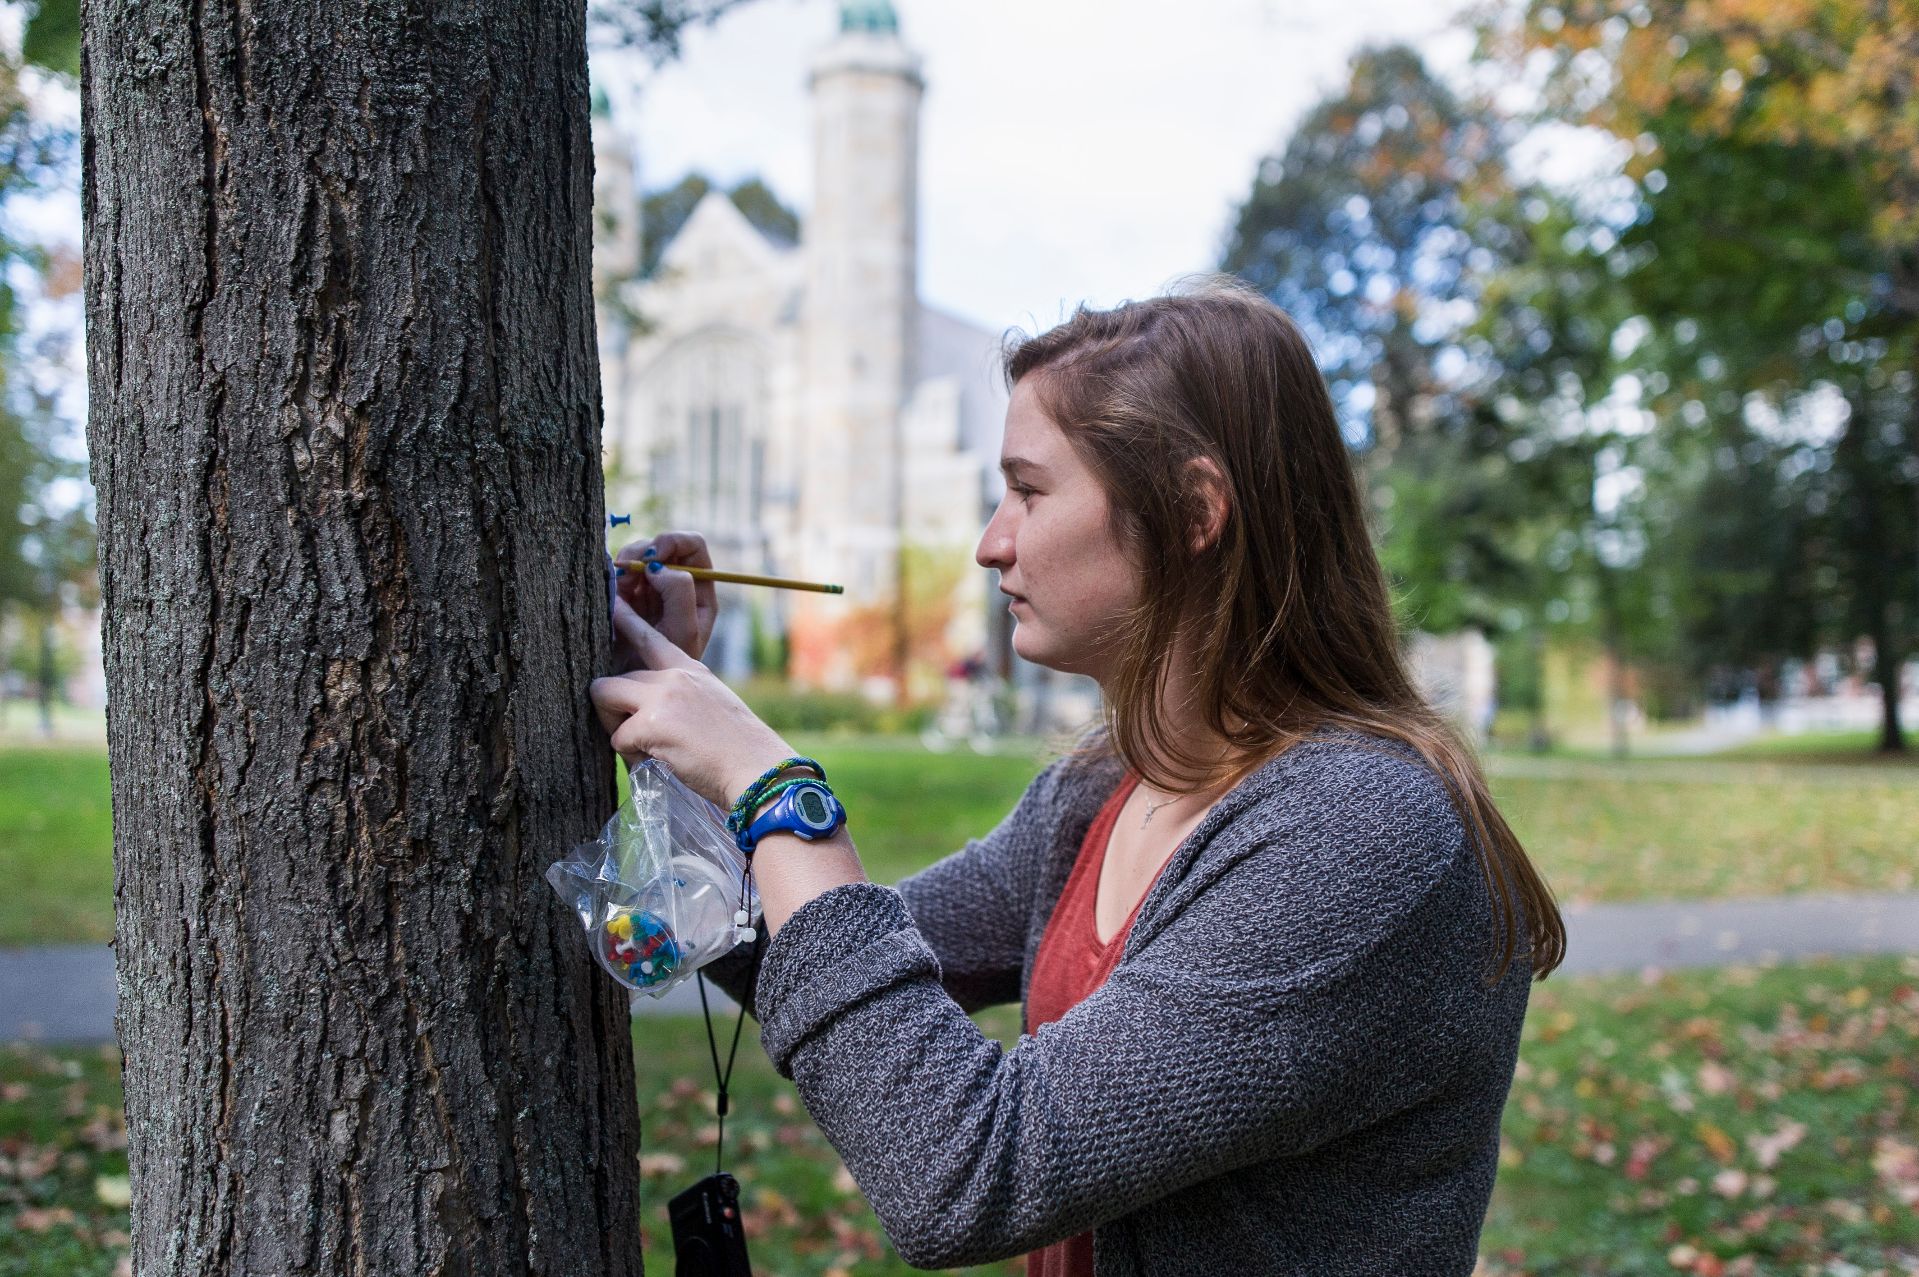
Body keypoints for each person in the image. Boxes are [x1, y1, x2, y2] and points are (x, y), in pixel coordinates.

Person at [588, 275, 1566, 1276]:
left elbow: (961, 1172)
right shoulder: (1104, 786)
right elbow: (804, 959)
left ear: (1191, 511)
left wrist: (777, 791)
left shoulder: (1356, 832)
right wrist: (683, 723)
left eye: (1028, 489)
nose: (988, 542)